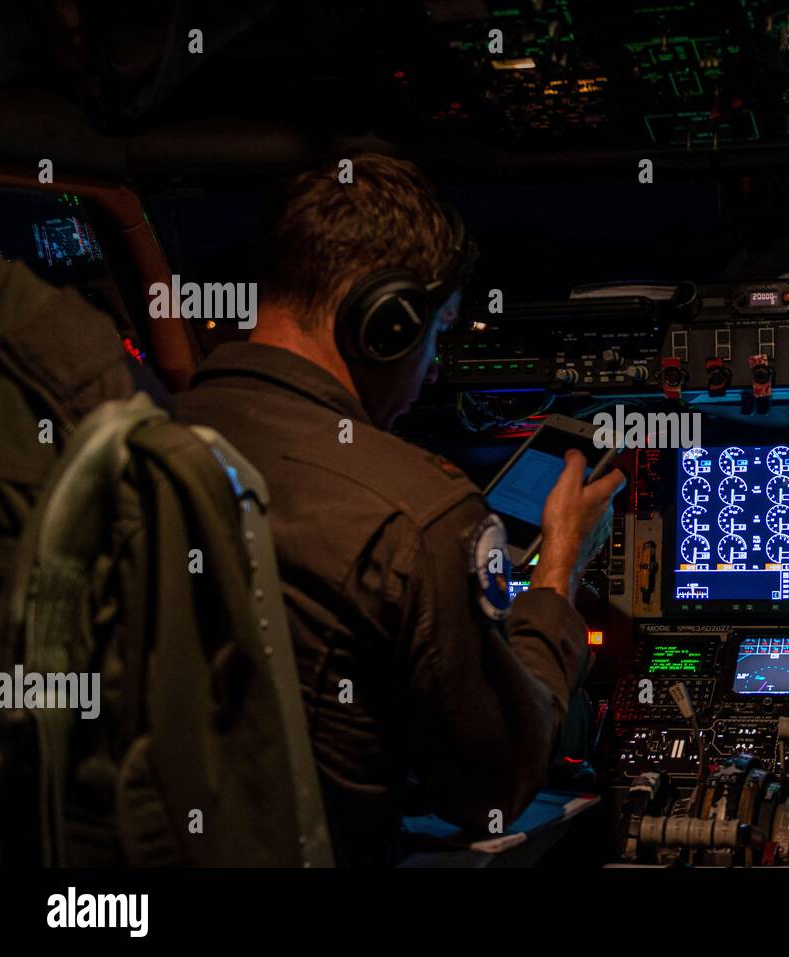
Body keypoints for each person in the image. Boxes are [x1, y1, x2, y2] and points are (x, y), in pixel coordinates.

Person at [173, 153, 624, 866]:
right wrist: (559, 565)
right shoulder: (414, 514)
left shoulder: (138, 435)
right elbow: (495, 784)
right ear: (387, 321)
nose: (437, 366)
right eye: (438, 334)